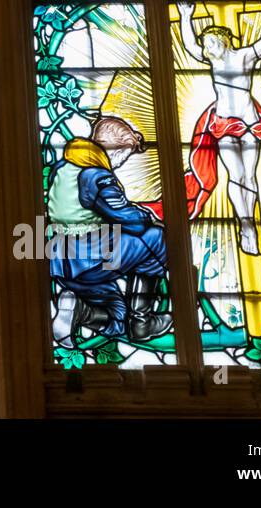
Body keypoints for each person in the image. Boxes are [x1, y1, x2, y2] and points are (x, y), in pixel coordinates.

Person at [49, 116, 171, 348]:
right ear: (115, 150)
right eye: (124, 155)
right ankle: (142, 321)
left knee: (117, 319)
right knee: (156, 238)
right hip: (91, 255)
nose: (120, 163)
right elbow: (126, 218)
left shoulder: (62, 168)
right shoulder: (95, 174)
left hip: (62, 262)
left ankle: (79, 310)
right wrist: (147, 216)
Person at [178, 0, 261, 255]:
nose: (206, 47)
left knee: (249, 176)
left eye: (209, 43)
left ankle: (249, 222)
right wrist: (185, 16)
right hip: (223, 124)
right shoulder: (213, 61)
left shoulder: (244, 56)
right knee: (235, 176)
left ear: (223, 41)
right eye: (206, 44)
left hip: (248, 122)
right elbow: (190, 47)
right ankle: (246, 225)